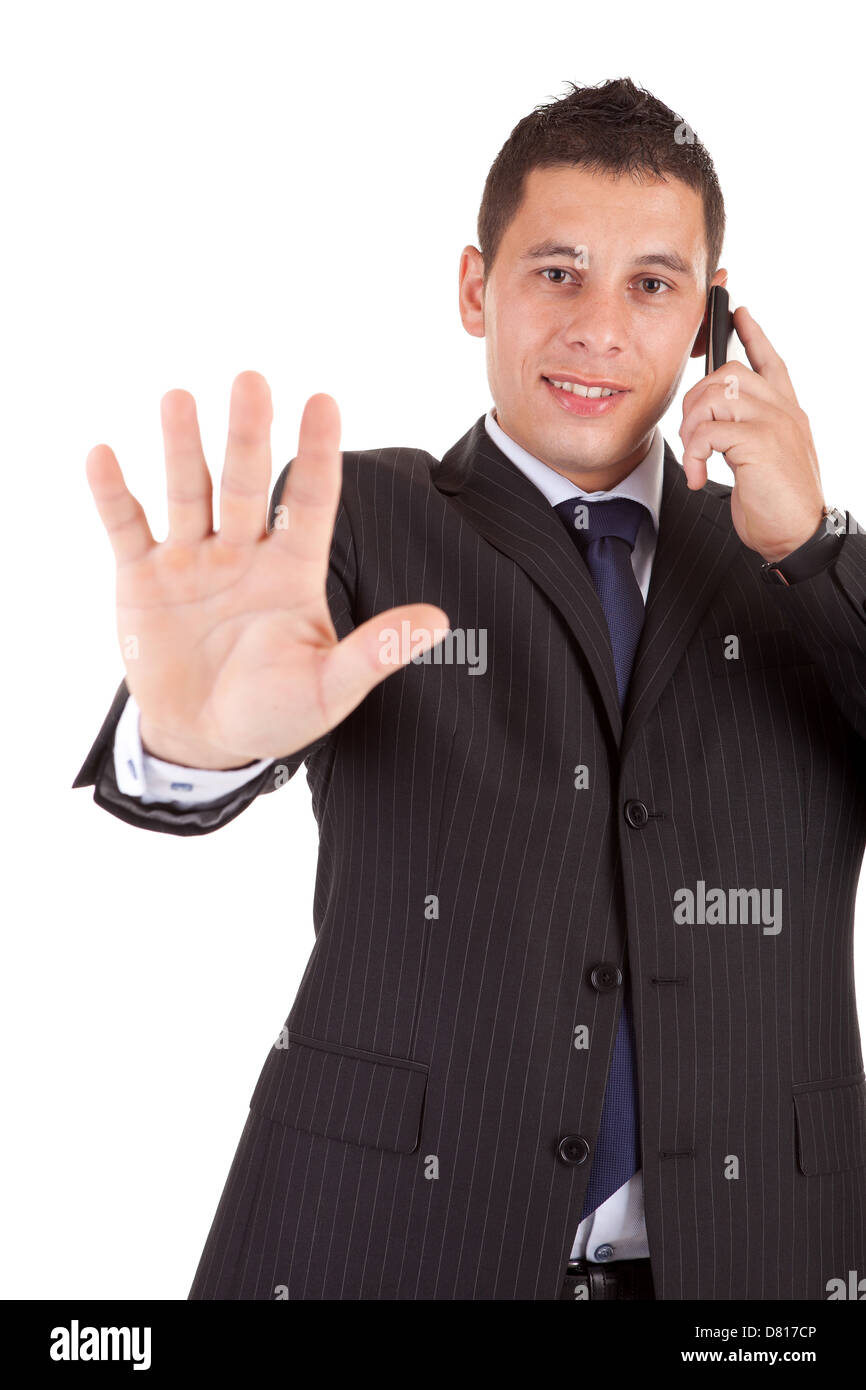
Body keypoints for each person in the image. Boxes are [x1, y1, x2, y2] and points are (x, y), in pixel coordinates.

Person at [73, 77, 866, 1301]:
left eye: (650, 285)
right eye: (556, 272)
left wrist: (810, 546)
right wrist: (185, 742)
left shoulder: (799, 568)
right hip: (380, 1247)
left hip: (762, 1270)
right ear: (472, 289)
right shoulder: (360, 517)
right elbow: (223, 709)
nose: (599, 327)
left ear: (708, 319)